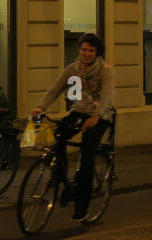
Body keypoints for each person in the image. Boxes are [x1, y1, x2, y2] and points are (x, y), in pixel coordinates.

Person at [30, 32, 115, 222]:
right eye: (84, 49)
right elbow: (55, 88)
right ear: (79, 50)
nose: (87, 54)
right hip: (78, 112)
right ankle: (65, 183)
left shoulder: (105, 70)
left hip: (100, 116)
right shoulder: (72, 69)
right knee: (57, 139)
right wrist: (40, 107)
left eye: (91, 51)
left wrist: (96, 117)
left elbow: (107, 96)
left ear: (97, 53)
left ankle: (81, 206)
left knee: (86, 153)